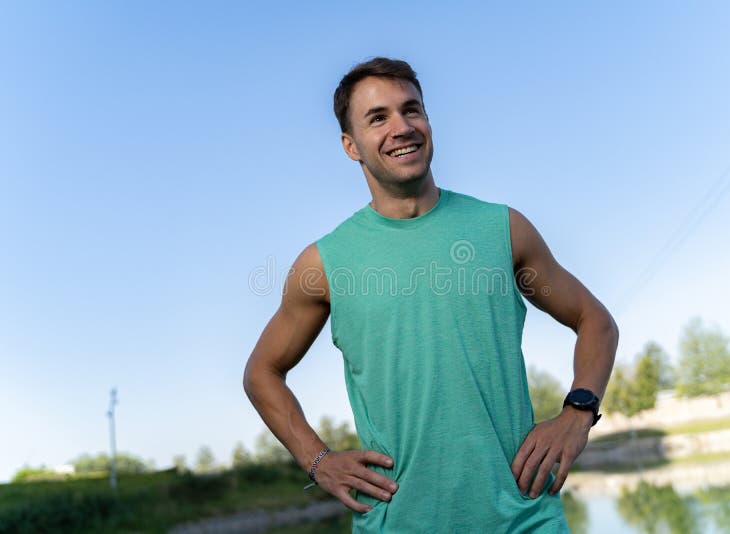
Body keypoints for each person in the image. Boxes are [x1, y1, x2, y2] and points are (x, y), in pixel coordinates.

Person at [243, 57, 618, 532]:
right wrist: (318, 461)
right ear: (350, 146)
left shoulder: (502, 230)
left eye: (411, 110)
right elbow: (262, 372)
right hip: (398, 521)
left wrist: (578, 413)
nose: (402, 127)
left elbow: (594, 319)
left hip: (523, 518)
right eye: (378, 118)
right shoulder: (323, 266)